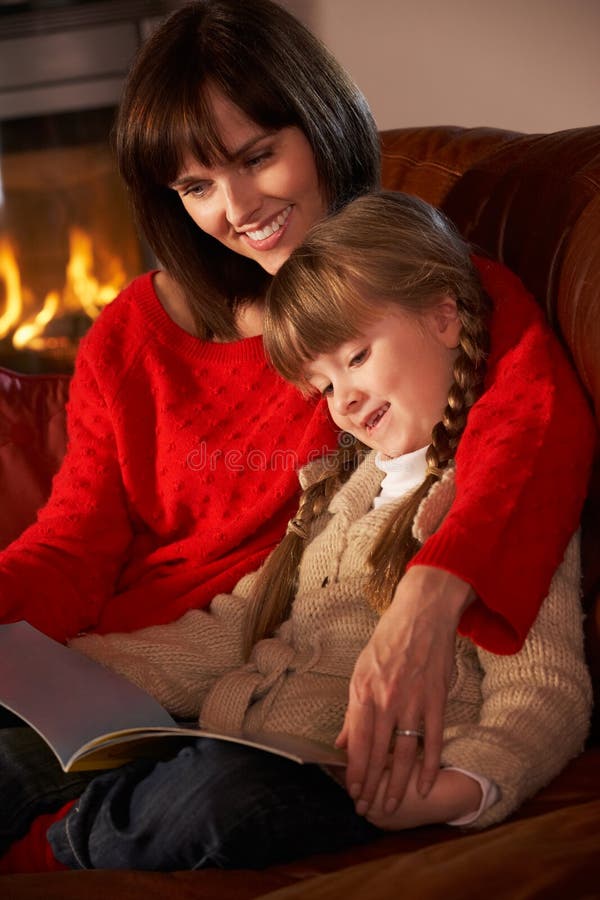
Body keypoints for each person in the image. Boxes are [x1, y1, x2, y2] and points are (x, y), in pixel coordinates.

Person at [0, 0, 594, 856]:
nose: (236, 207)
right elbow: (73, 540)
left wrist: (435, 590)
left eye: (257, 157)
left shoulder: (412, 301)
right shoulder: (129, 334)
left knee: (207, 799)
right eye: (197, 186)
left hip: (267, 721)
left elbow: (533, 436)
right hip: (149, 666)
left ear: (321, 127)